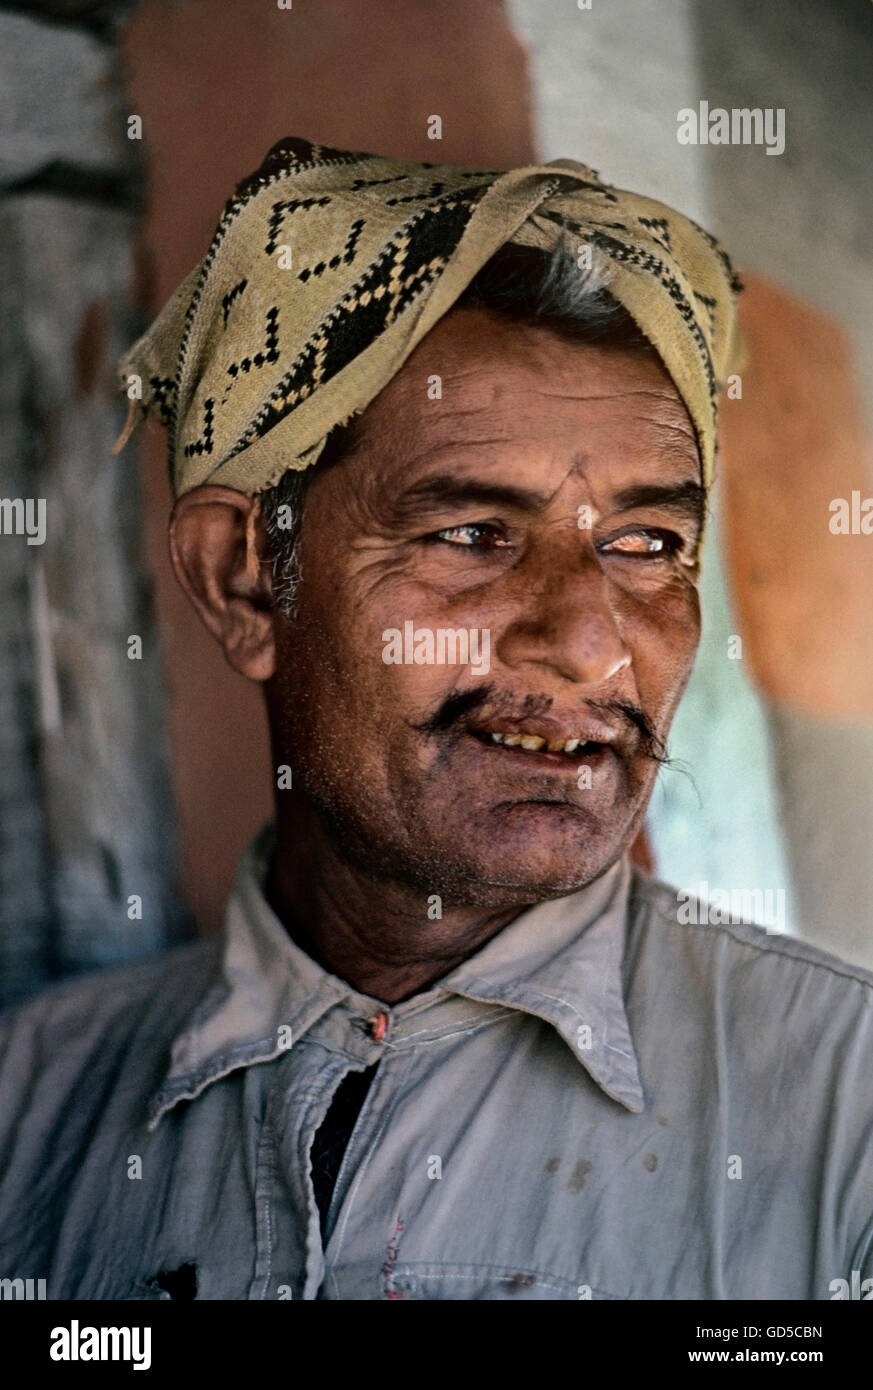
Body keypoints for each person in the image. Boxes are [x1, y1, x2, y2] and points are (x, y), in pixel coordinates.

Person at [1, 136, 871, 1302]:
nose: (587, 637)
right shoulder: (31, 1104)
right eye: (471, 534)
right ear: (247, 578)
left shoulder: (846, 1113)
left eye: (647, 544)